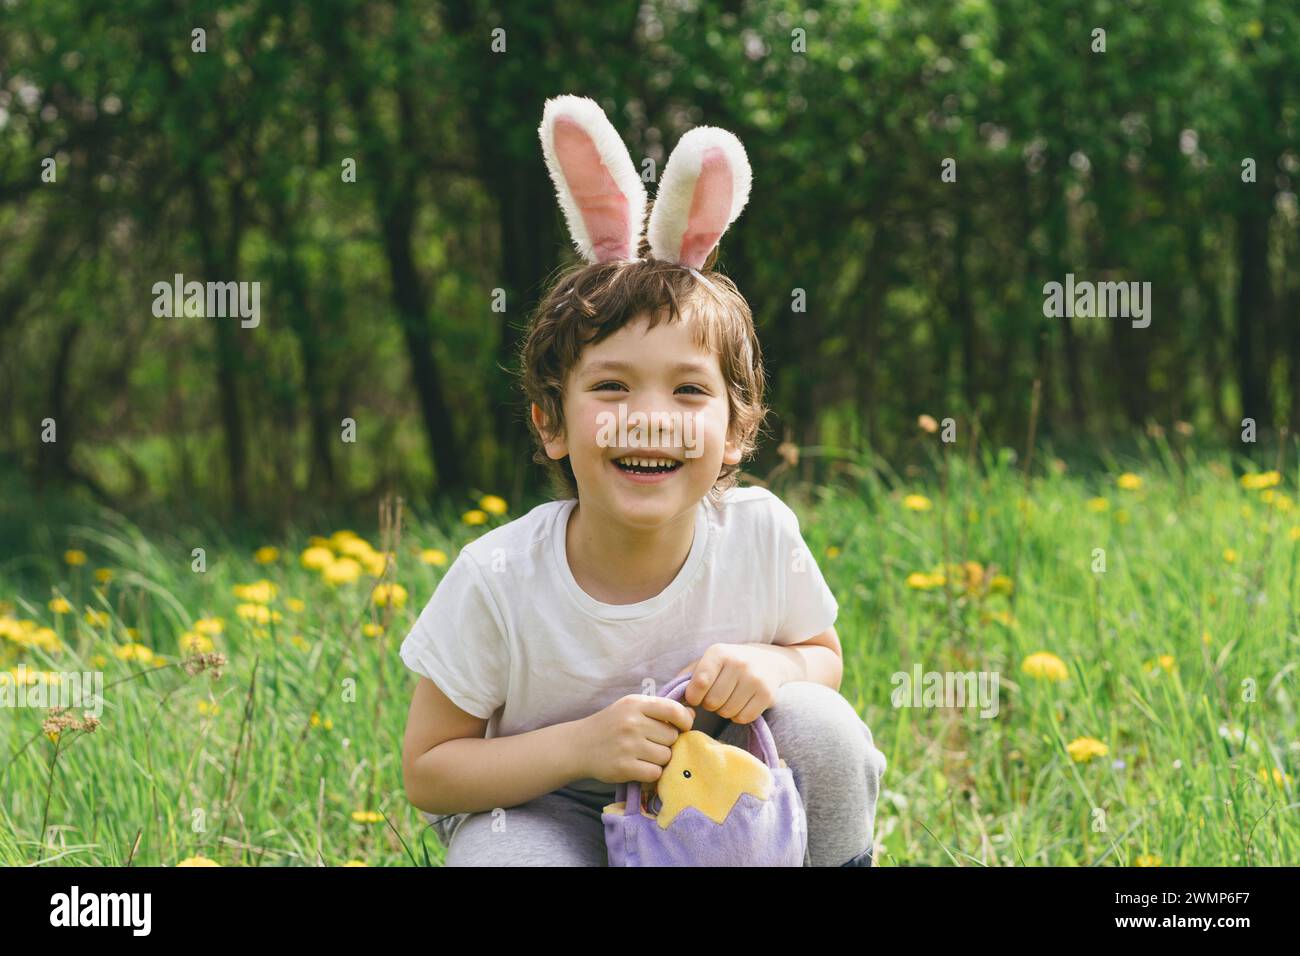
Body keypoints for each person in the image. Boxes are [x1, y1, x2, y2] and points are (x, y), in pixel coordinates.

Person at [399, 95, 886, 866]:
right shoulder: (497, 579)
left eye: (688, 391)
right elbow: (429, 769)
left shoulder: (760, 534)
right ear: (550, 423)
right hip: (554, 812)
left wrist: (776, 666)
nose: (649, 419)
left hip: (726, 790)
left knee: (822, 726)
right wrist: (584, 747)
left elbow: (822, 655)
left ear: (735, 433)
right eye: (612, 387)